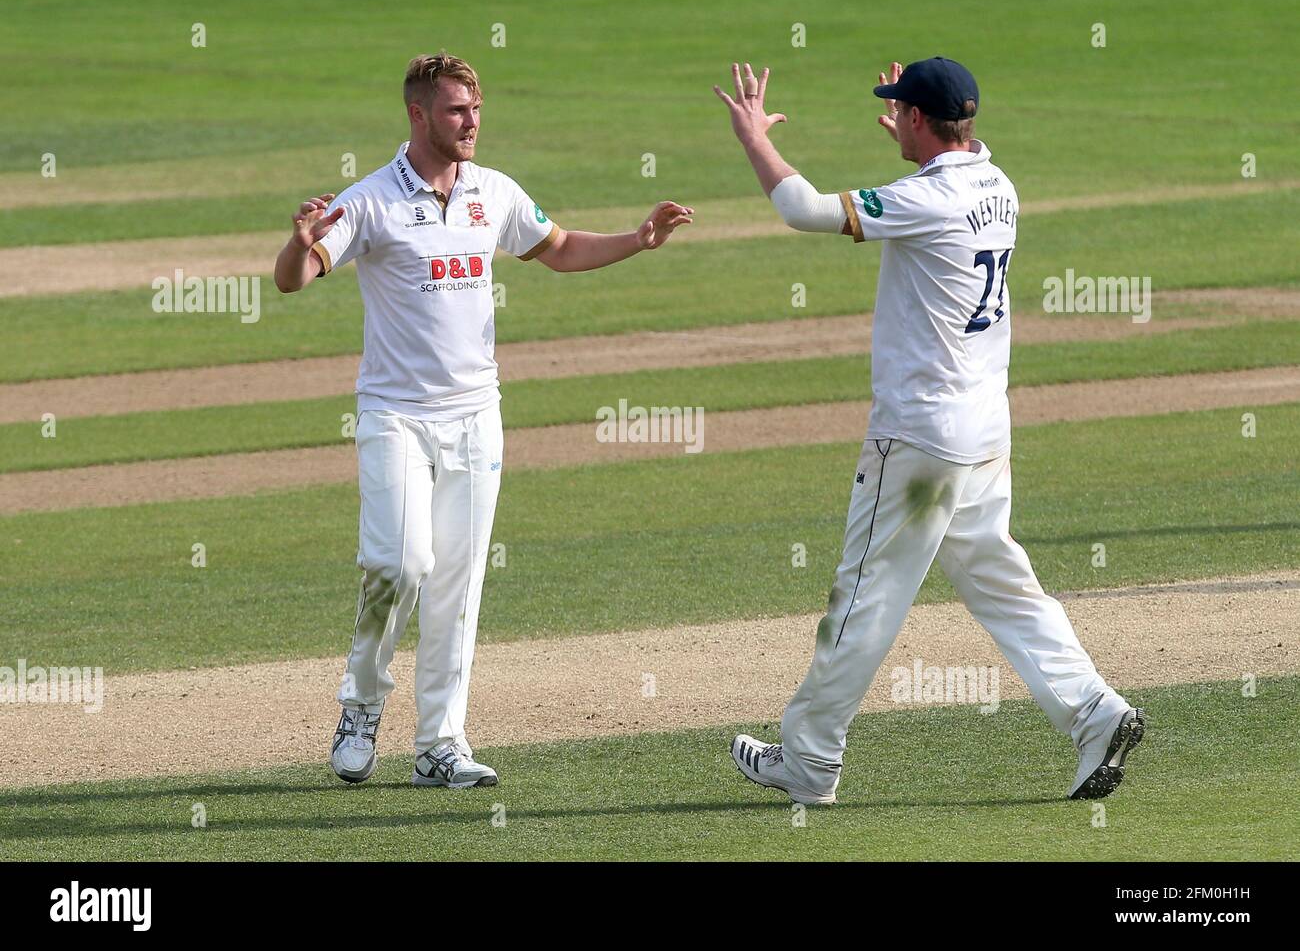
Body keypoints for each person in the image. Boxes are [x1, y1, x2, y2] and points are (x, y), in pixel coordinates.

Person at [713, 58, 1143, 804]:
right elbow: (932, 197)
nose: (894, 116)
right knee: (1002, 584)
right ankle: (1093, 711)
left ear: (916, 119)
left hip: (917, 440)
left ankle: (809, 759)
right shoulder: (996, 183)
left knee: (864, 598)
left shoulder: (927, 196)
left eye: (899, 108)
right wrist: (913, 158)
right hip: (982, 433)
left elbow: (808, 210)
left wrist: (754, 137)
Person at [275, 52, 693, 788]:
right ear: (418, 115)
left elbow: (557, 248)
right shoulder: (370, 200)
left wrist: (637, 239)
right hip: (395, 416)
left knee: (457, 584)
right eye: (456, 111)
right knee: (397, 566)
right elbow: (294, 279)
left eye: (476, 109)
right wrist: (299, 241)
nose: (471, 123)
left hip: (476, 416)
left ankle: (440, 744)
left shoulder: (491, 192)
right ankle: (361, 706)